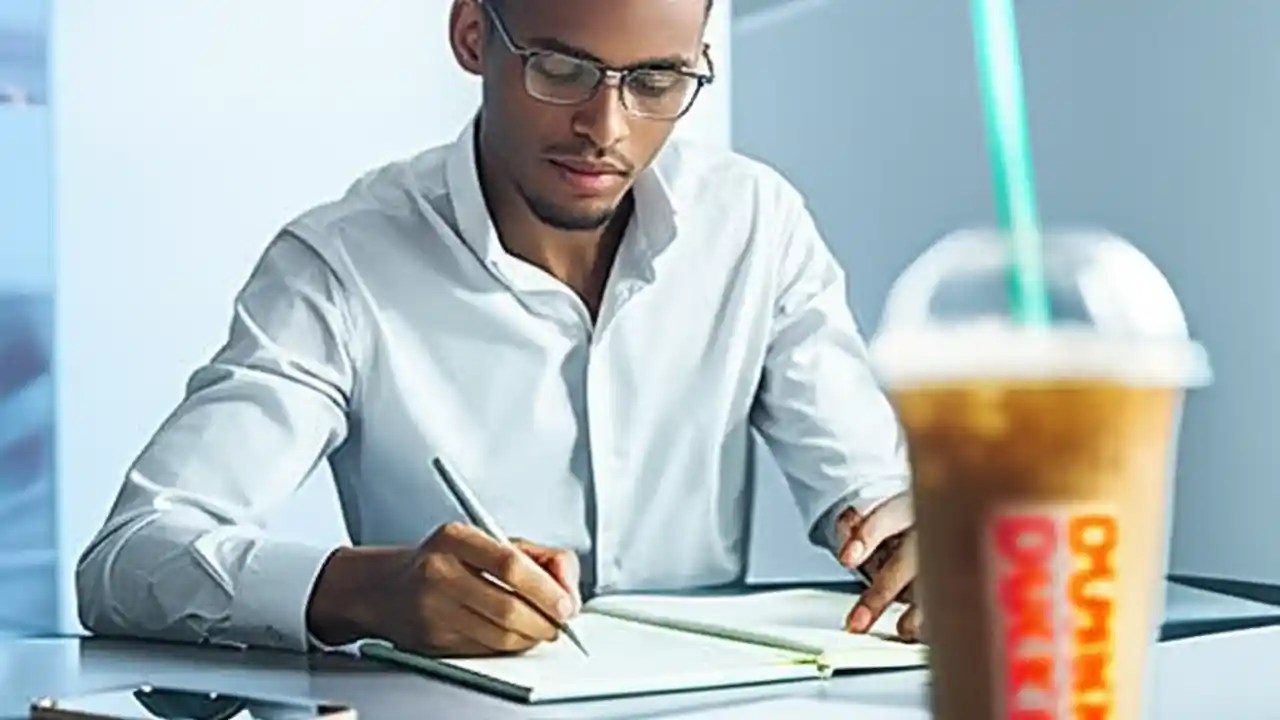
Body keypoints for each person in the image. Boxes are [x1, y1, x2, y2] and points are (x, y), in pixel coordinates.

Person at [75, 0, 920, 658]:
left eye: (658, 81)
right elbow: (129, 562)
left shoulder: (754, 224)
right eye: (560, 68)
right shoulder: (339, 265)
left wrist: (915, 543)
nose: (607, 128)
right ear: (474, 34)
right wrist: (370, 591)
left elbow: (875, 499)